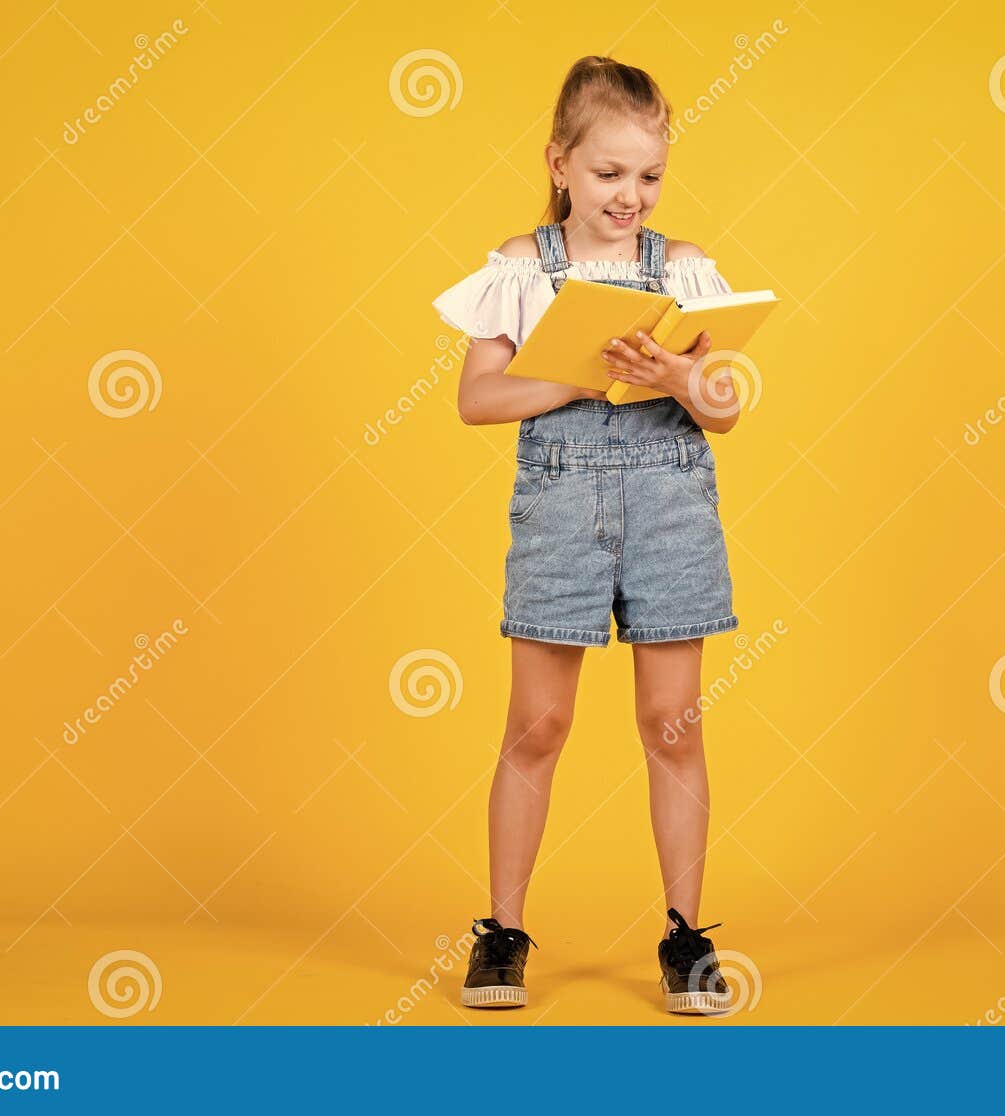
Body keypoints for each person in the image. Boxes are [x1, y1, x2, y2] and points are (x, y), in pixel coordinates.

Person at [431, 55, 745, 1014]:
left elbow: (726, 408)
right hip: (561, 506)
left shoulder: (683, 268)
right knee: (538, 725)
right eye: (609, 173)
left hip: (670, 503)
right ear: (559, 163)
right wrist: (579, 372)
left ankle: (685, 935)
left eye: (649, 176)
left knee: (671, 723)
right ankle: (502, 933)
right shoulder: (521, 267)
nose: (630, 196)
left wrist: (677, 377)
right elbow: (477, 399)